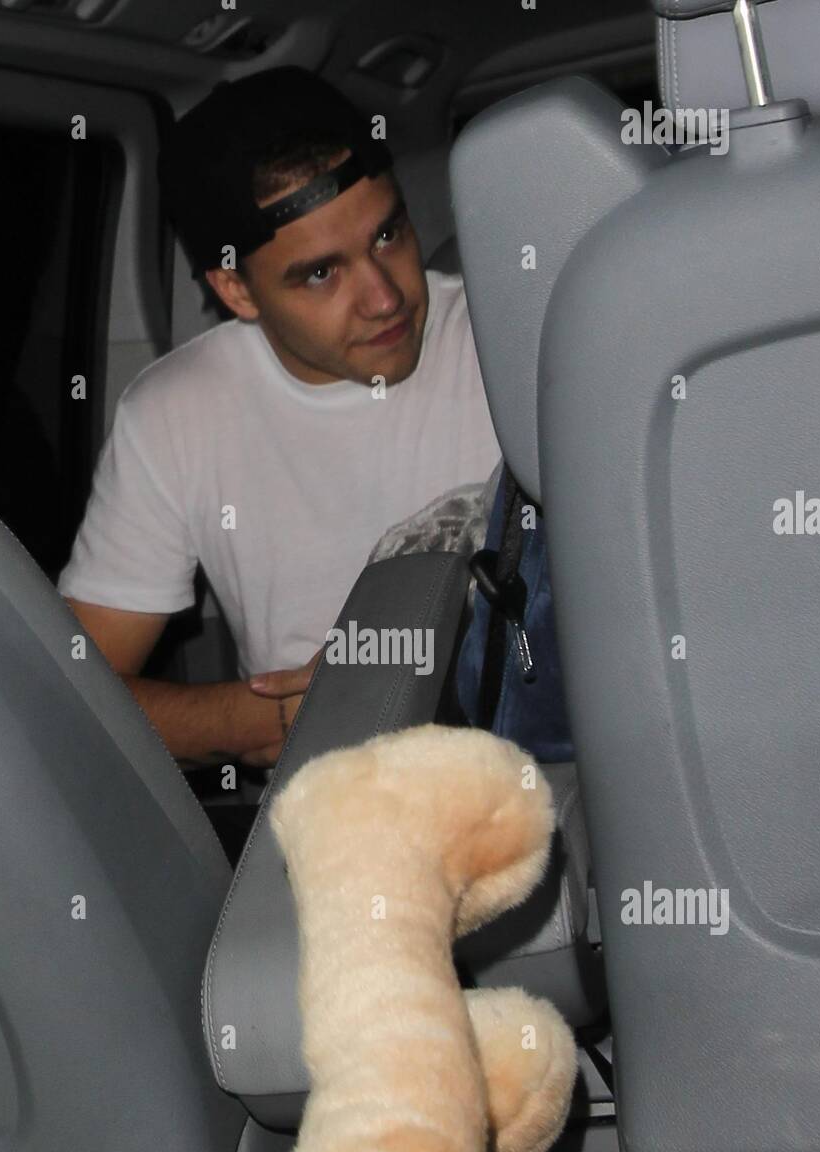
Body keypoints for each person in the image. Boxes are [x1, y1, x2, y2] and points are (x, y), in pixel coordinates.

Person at [58, 66, 502, 781]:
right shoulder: (174, 415)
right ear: (236, 288)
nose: (384, 298)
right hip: (332, 816)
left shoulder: (505, 337)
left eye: (388, 235)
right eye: (321, 274)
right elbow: (72, 686)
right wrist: (263, 720)